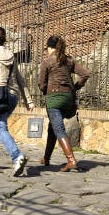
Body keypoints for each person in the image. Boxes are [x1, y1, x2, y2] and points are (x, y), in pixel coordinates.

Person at [0, 26, 35, 177]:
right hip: (13, 96)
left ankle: (17, 156)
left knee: (1, 128)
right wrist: (28, 100)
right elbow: (20, 79)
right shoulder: (11, 55)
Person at [38, 35, 91, 172]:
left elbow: (41, 84)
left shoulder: (47, 61)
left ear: (50, 47)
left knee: (59, 129)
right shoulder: (69, 60)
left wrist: (45, 90)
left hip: (55, 99)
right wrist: (75, 86)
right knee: (53, 127)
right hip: (68, 99)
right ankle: (46, 158)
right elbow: (85, 74)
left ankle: (71, 160)